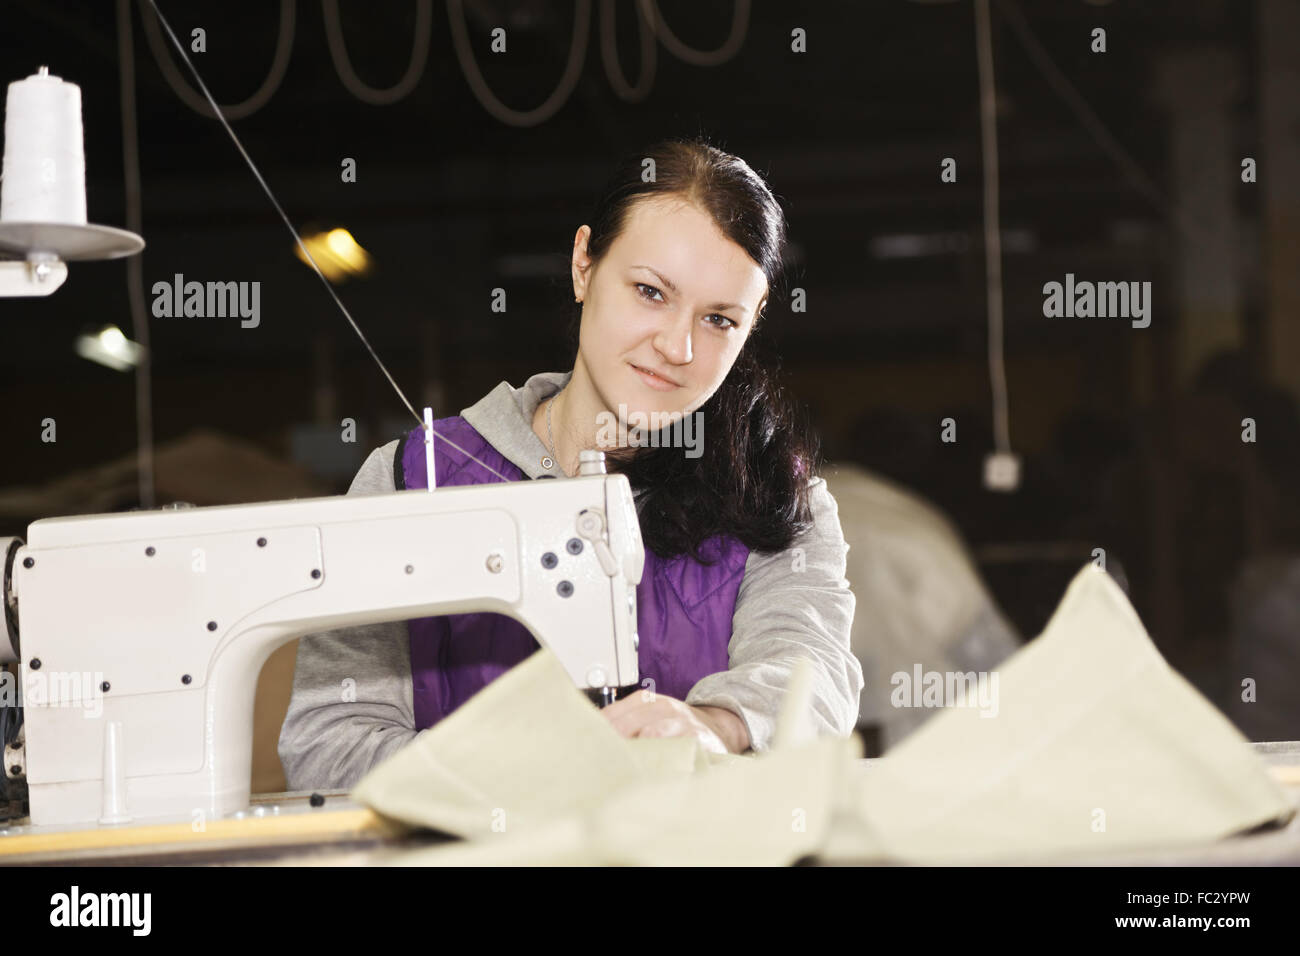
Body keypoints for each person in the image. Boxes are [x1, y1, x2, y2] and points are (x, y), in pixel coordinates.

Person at [278, 137, 863, 789]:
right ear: (584, 264)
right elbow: (326, 743)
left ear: (752, 323)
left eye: (720, 320)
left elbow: (812, 682)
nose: (677, 345)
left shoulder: (779, 501)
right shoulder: (408, 481)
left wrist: (713, 726)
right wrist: (526, 775)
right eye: (649, 291)